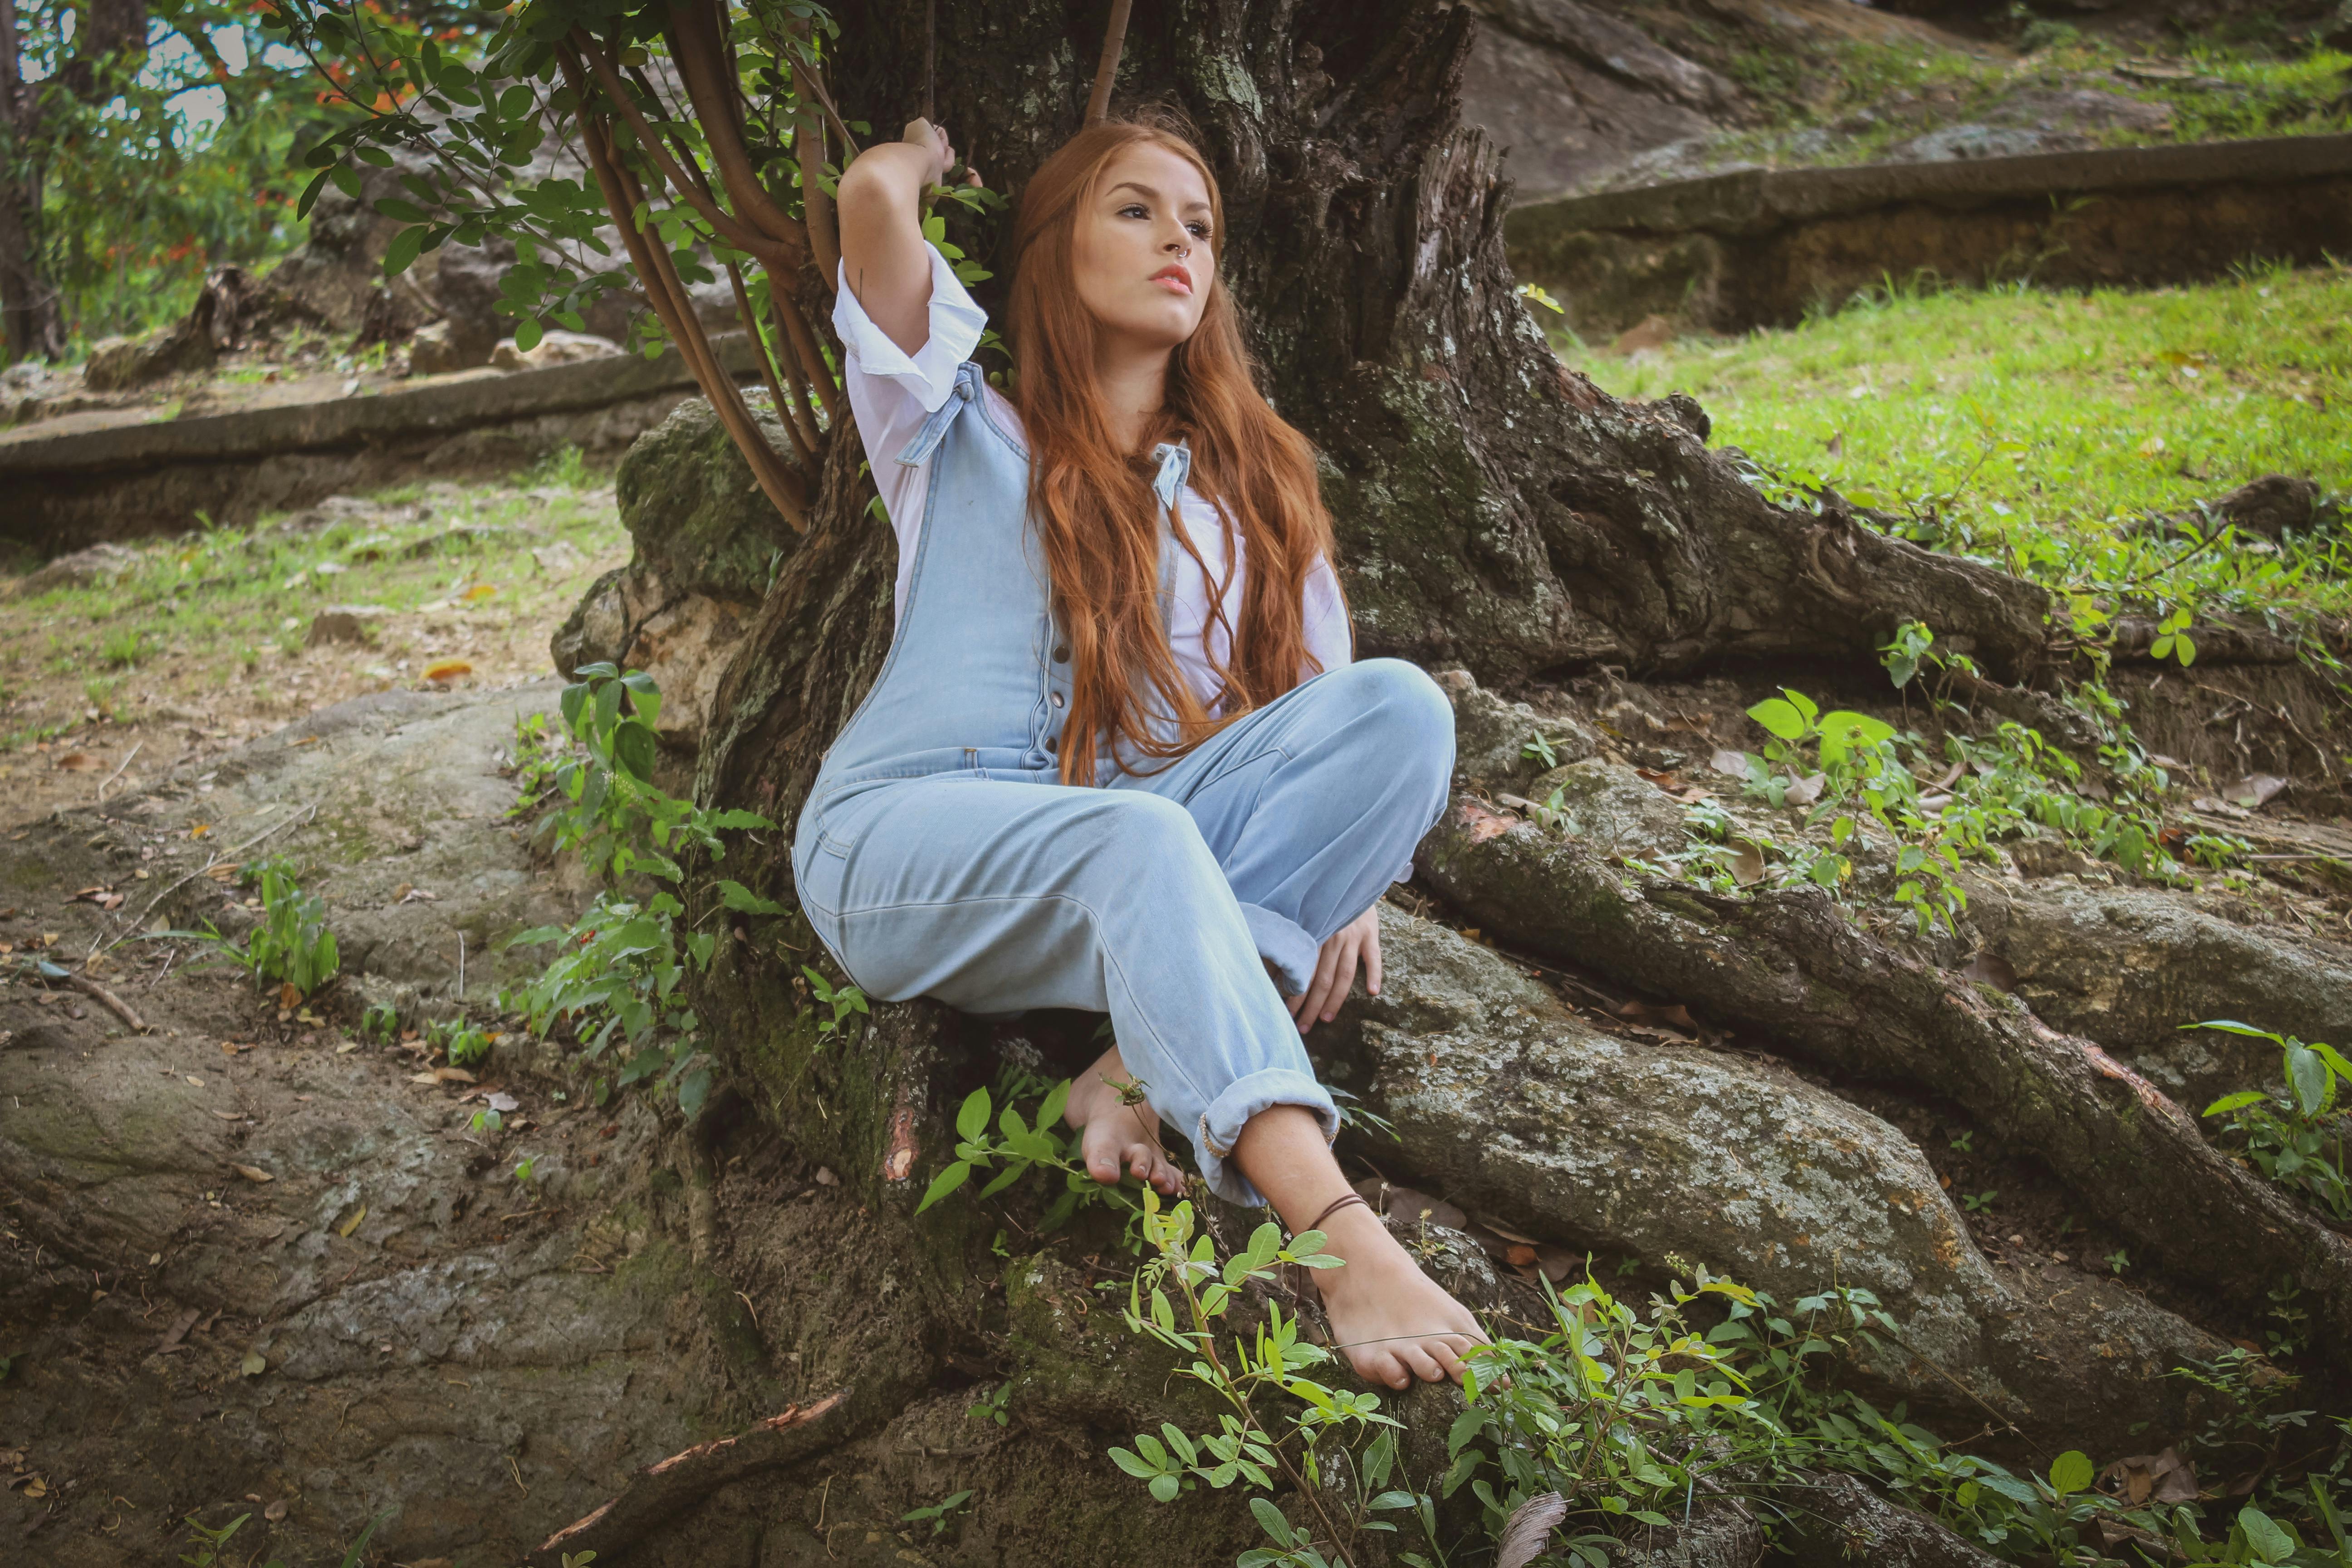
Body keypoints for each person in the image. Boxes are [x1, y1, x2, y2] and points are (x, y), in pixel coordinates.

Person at [794, 109, 1482, 1390]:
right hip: (905, 844)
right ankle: (1338, 1236)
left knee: (1405, 708)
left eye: (1201, 226)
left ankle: (1130, 1066)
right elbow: (873, 204)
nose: (1180, 241)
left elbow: (1332, 722)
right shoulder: (945, 424)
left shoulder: (1252, 489)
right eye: (1136, 210)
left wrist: (1353, 879)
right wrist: (928, 159)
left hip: (1133, 844)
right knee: (1142, 836)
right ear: (1056, 246)